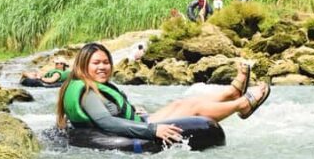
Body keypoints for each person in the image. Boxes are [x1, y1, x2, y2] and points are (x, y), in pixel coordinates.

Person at [56, 43, 270, 144]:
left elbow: (110, 113)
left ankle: (231, 93)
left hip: (137, 122)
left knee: (182, 103)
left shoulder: (91, 86)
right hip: (130, 132)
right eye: (96, 63)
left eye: (106, 62)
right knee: (193, 109)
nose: (103, 67)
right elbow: (107, 123)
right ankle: (241, 104)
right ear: (83, 65)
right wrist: (152, 131)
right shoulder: (86, 91)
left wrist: (130, 111)